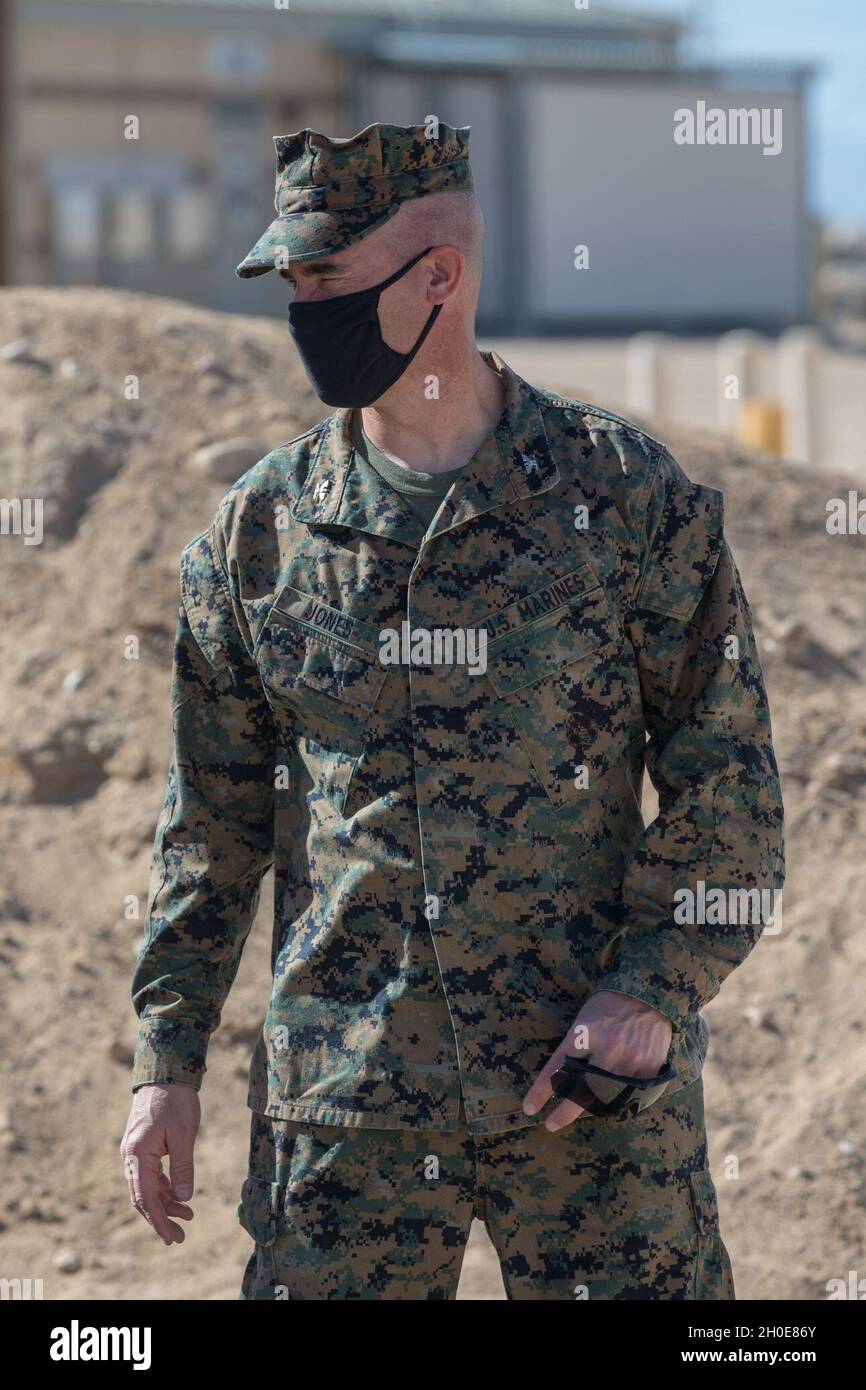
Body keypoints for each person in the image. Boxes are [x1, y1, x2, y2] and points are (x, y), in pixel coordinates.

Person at [120, 121, 785, 1300]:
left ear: (440, 276)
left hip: (592, 1104)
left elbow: (726, 781)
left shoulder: (624, 503)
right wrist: (165, 1062)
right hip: (347, 1111)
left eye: (328, 277)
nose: (303, 309)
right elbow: (208, 824)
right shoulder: (258, 535)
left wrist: (651, 990)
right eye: (294, 282)